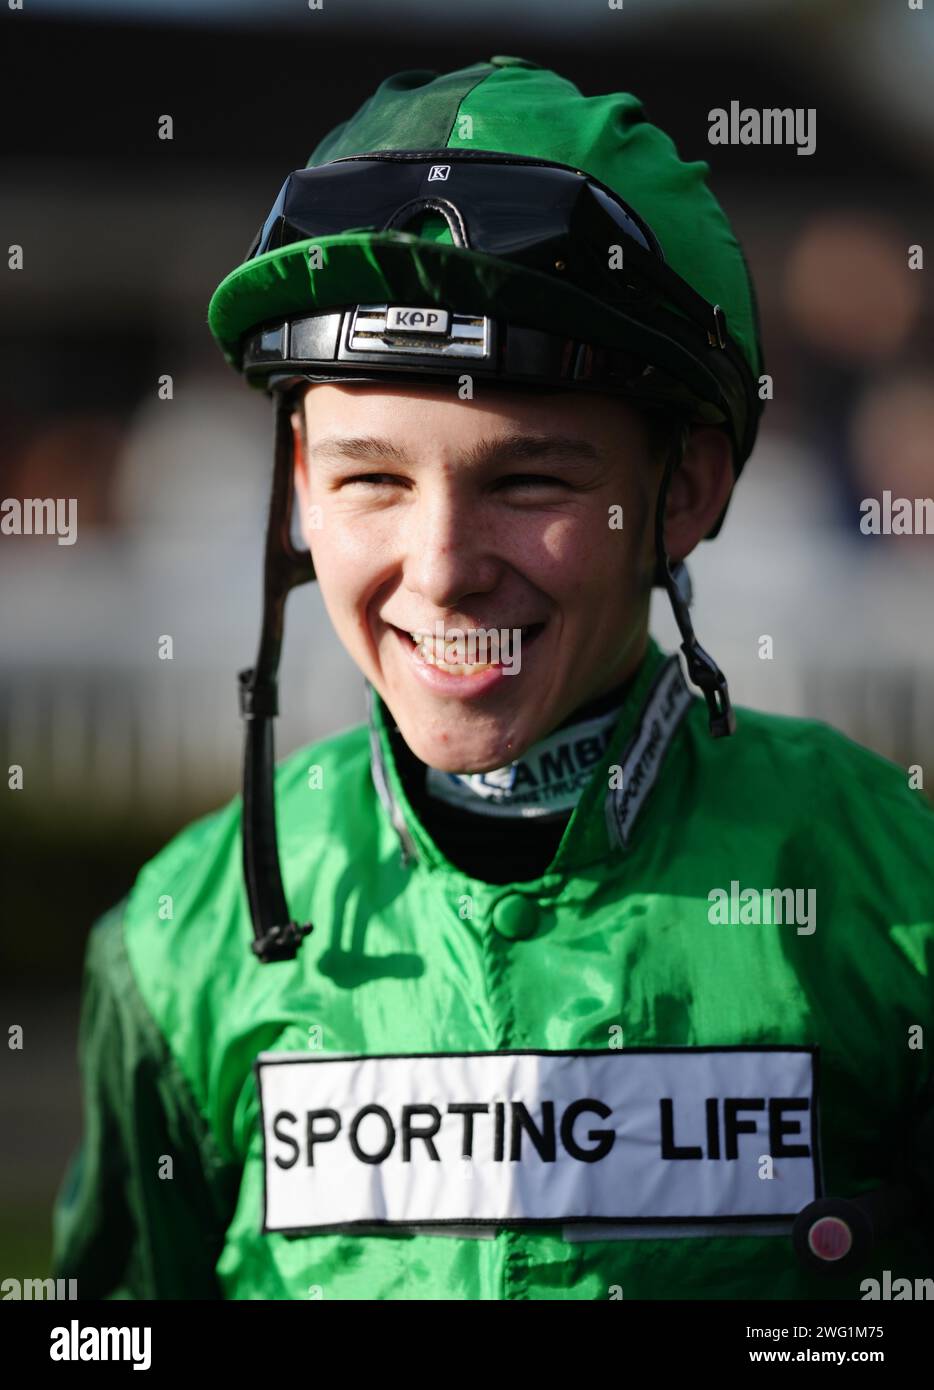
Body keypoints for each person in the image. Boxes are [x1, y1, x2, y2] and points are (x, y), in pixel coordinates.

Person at [51, 55, 933, 1301]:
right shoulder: (172, 946)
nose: (444, 568)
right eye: (371, 478)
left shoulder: (892, 899)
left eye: (529, 482)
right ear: (300, 486)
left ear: (682, 492)